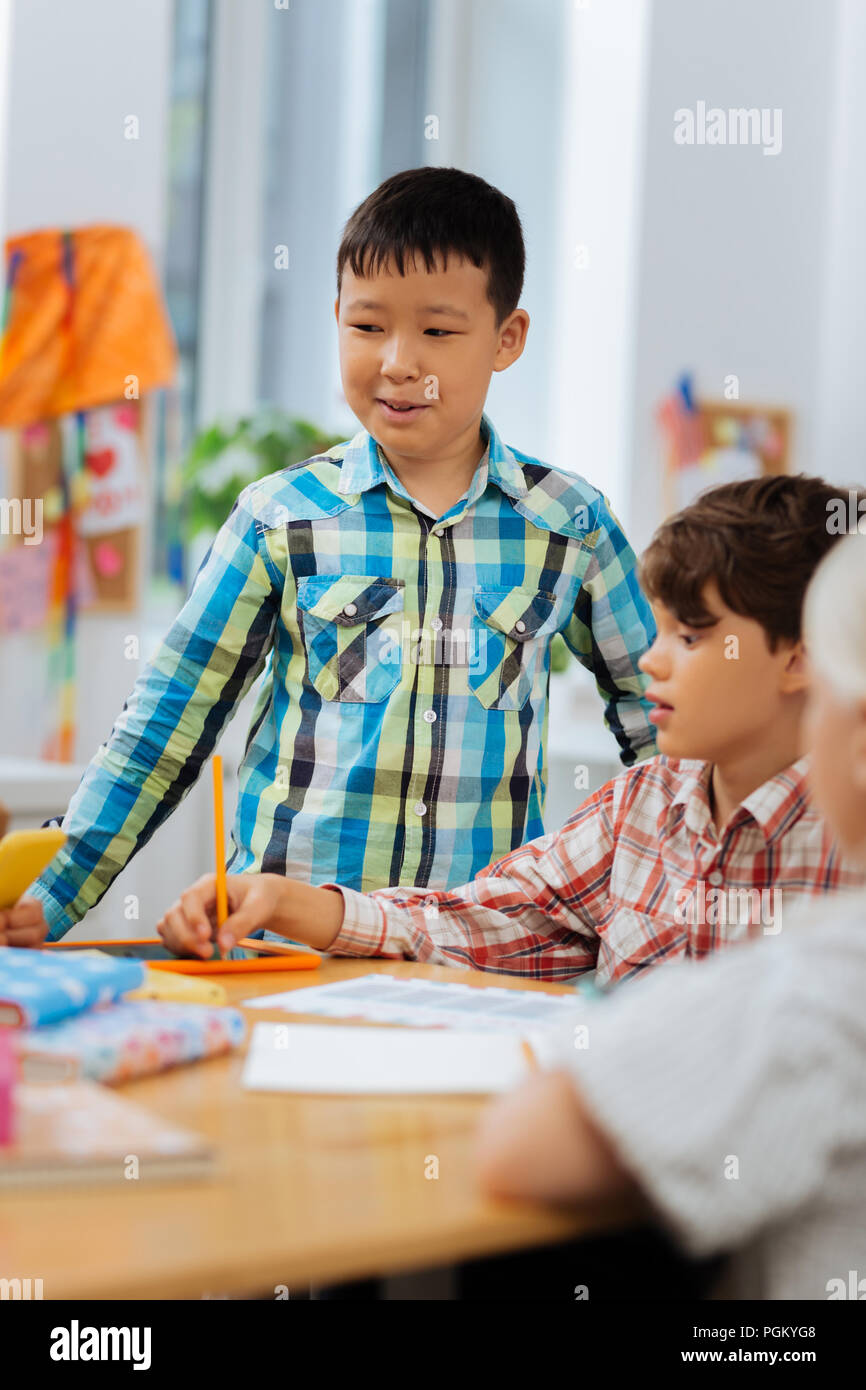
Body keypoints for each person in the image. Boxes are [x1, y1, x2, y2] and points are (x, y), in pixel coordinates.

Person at [9, 166, 656, 949]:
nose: (397, 361)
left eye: (439, 332)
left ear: (507, 339)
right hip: (285, 951)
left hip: (476, 960)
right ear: (337, 319)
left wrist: (658, 911)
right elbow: (165, 724)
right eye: (368, 326)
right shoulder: (280, 517)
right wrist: (59, 890)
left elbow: (661, 724)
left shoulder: (571, 525)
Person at [156, 476, 865, 983]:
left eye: (691, 638)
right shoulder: (639, 808)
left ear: (802, 654)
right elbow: (474, 920)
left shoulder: (849, 848)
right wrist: (283, 899)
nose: (650, 659)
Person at [474, 531, 866, 1301]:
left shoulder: (826, 977)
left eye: (690, 637)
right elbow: (515, 907)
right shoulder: (647, 796)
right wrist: (321, 909)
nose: (651, 660)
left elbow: (521, 1149)